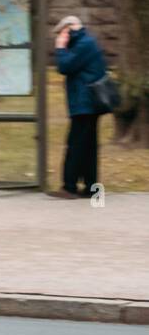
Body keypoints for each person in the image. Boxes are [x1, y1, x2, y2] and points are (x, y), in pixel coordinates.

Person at [51, 16, 107, 199]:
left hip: (85, 105)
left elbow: (65, 66)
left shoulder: (83, 44)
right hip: (88, 104)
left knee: (75, 145)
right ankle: (91, 188)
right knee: (88, 147)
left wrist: (60, 47)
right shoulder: (85, 42)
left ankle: (69, 187)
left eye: (61, 32)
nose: (60, 36)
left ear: (68, 29)